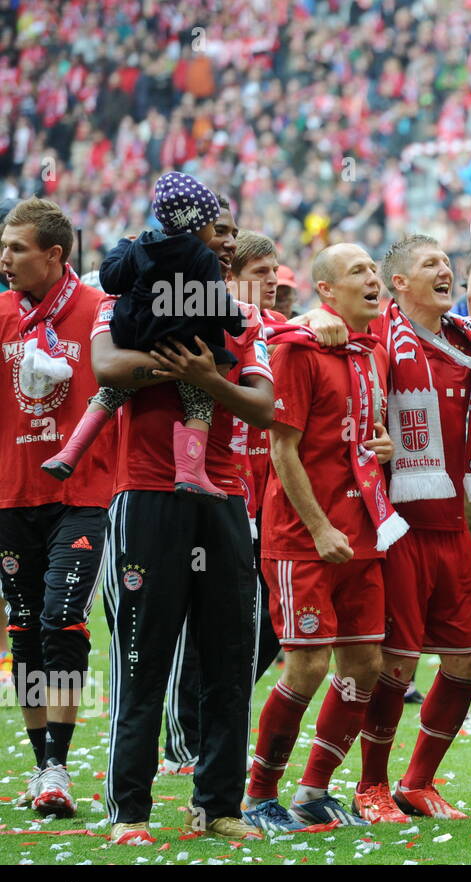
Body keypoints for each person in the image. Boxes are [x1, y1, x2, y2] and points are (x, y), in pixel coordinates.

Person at [337, 227, 471, 822]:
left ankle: (418, 781)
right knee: (396, 665)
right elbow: (350, 395)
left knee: (465, 658)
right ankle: (370, 787)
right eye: (431, 263)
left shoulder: (469, 338)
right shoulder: (380, 336)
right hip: (400, 525)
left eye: (448, 261)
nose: (445, 270)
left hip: (455, 526)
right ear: (398, 283)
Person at [94, 195, 270, 844]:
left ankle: (218, 807)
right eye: (216, 230)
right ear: (184, 230)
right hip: (147, 493)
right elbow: (107, 367)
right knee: (141, 658)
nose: (226, 242)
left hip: (225, 499)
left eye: (231, 233)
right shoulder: (126, 295)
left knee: (227, 662)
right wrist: (183, 363)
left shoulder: (245, 314)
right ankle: (130, 813)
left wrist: (207, 378)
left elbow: (262, 406)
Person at [242, 243, 404, 830]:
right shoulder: (298, 349)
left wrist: (381, 446)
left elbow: (358, 432)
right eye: (357, 271)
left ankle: (314, 790)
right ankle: (259, 794)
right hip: (304, 535)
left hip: (363, 532)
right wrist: (319, 525)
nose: (372, 278)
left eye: (373, 270)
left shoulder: (372, 351)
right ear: (327, 292)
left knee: (364, 663)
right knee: (307, 665)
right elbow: (283, 448)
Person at [160, 230, 287, 775]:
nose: (273, 282)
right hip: (216, 488)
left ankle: (207, 724)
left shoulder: (280, 332)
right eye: (260, 273)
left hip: (267, 499)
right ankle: (183, 741)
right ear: (229, 280)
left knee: (264, 628)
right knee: (198, 626)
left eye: (276, 272)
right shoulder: (206, 322)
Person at [0, 198, 111, 817]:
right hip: (13, 494)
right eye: (2, 247)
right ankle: (45, 765)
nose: (4, 260)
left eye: (16, 248)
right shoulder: (0, 313)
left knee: (60, 622)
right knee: (23, 633)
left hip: (83, 492)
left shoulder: (99, 313)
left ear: (54, 254)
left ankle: (59, 765)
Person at [42, 173, 244, 498]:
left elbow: (110, 279)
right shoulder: (202, 256)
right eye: (213, 226)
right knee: (199, 404)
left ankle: (68, 453)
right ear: (198, 223)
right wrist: (237, 323)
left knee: (108, 395)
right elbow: (215, 301)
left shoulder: (141, 244)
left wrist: (124, 246)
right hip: (183, 342)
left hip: (135, 334)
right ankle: (190, 471)